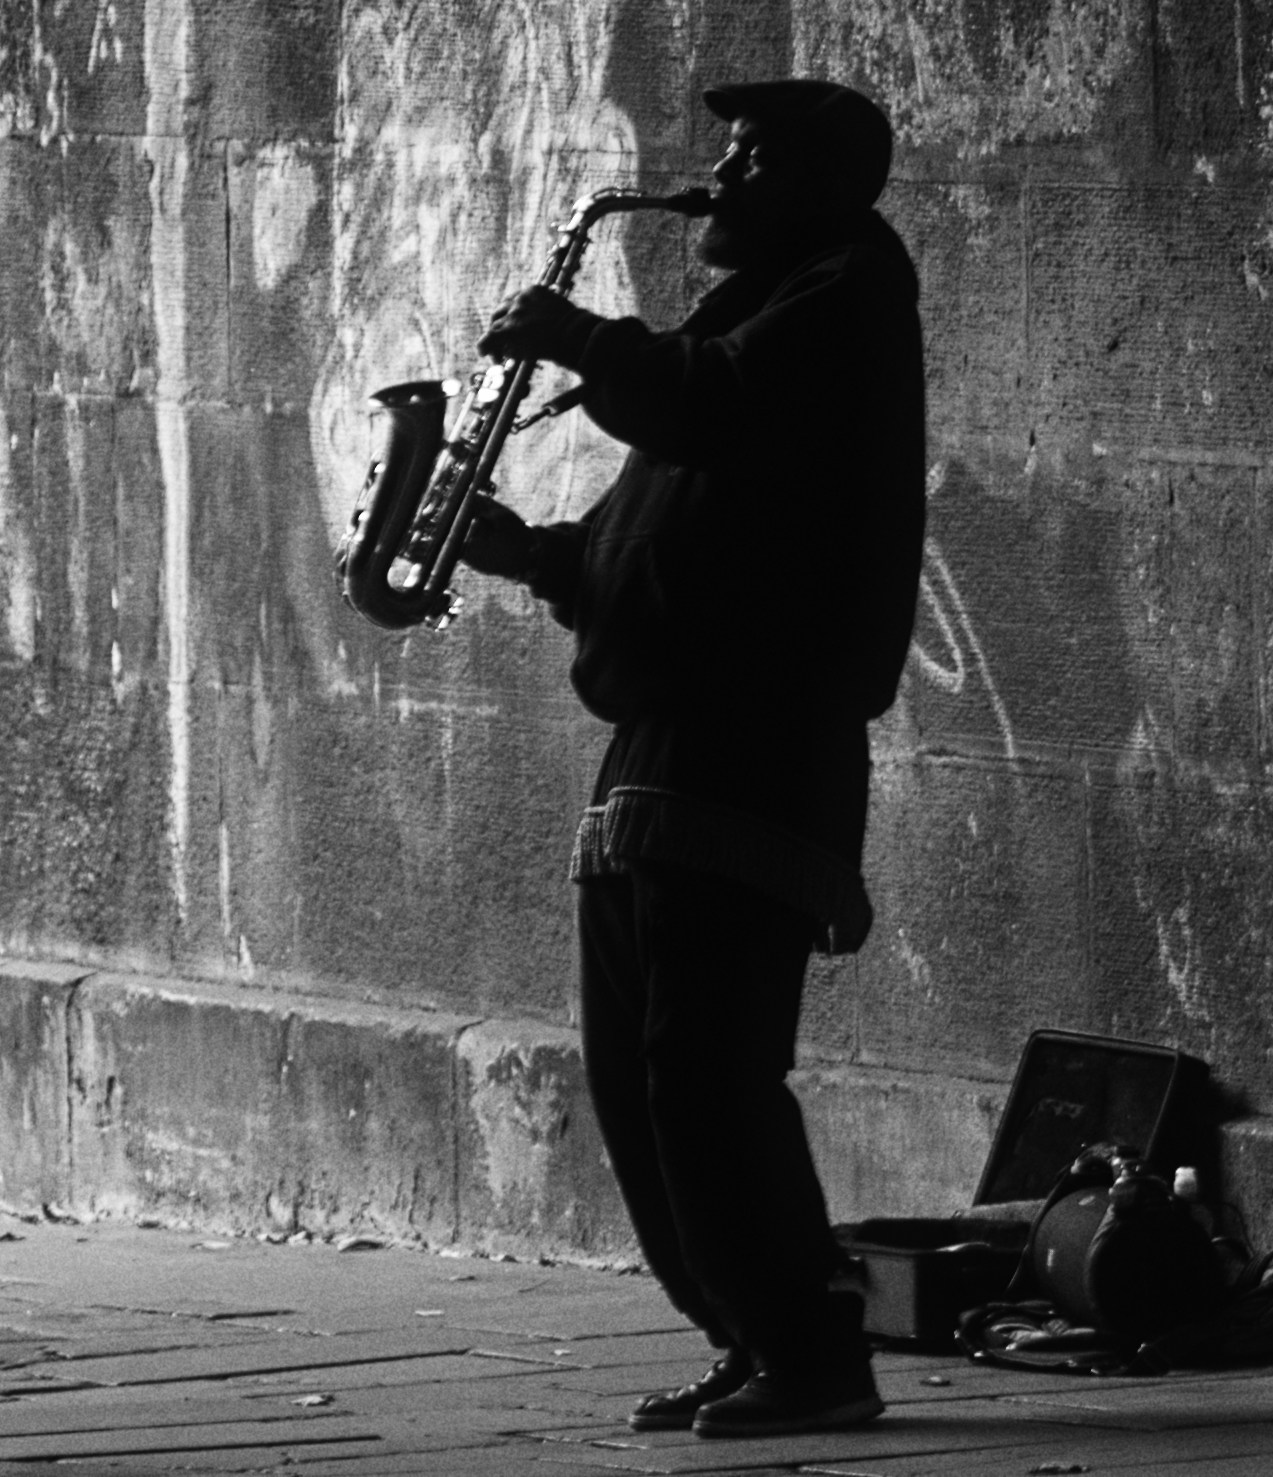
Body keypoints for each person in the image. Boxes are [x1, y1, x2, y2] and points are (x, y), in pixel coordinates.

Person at [453, 78, 926, 1439]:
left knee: (703, 1070)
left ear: (825, 185)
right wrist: (531, 552)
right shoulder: (757, 312)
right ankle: (749, 1328)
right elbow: (655, 543)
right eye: (727, 146)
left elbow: (707, 407)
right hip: (669, 746)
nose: (718, 173)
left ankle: (812, 1346)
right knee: (635, 1073)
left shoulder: (842, 296)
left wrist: (582, 338)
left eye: (753, 154)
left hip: (753, 745)